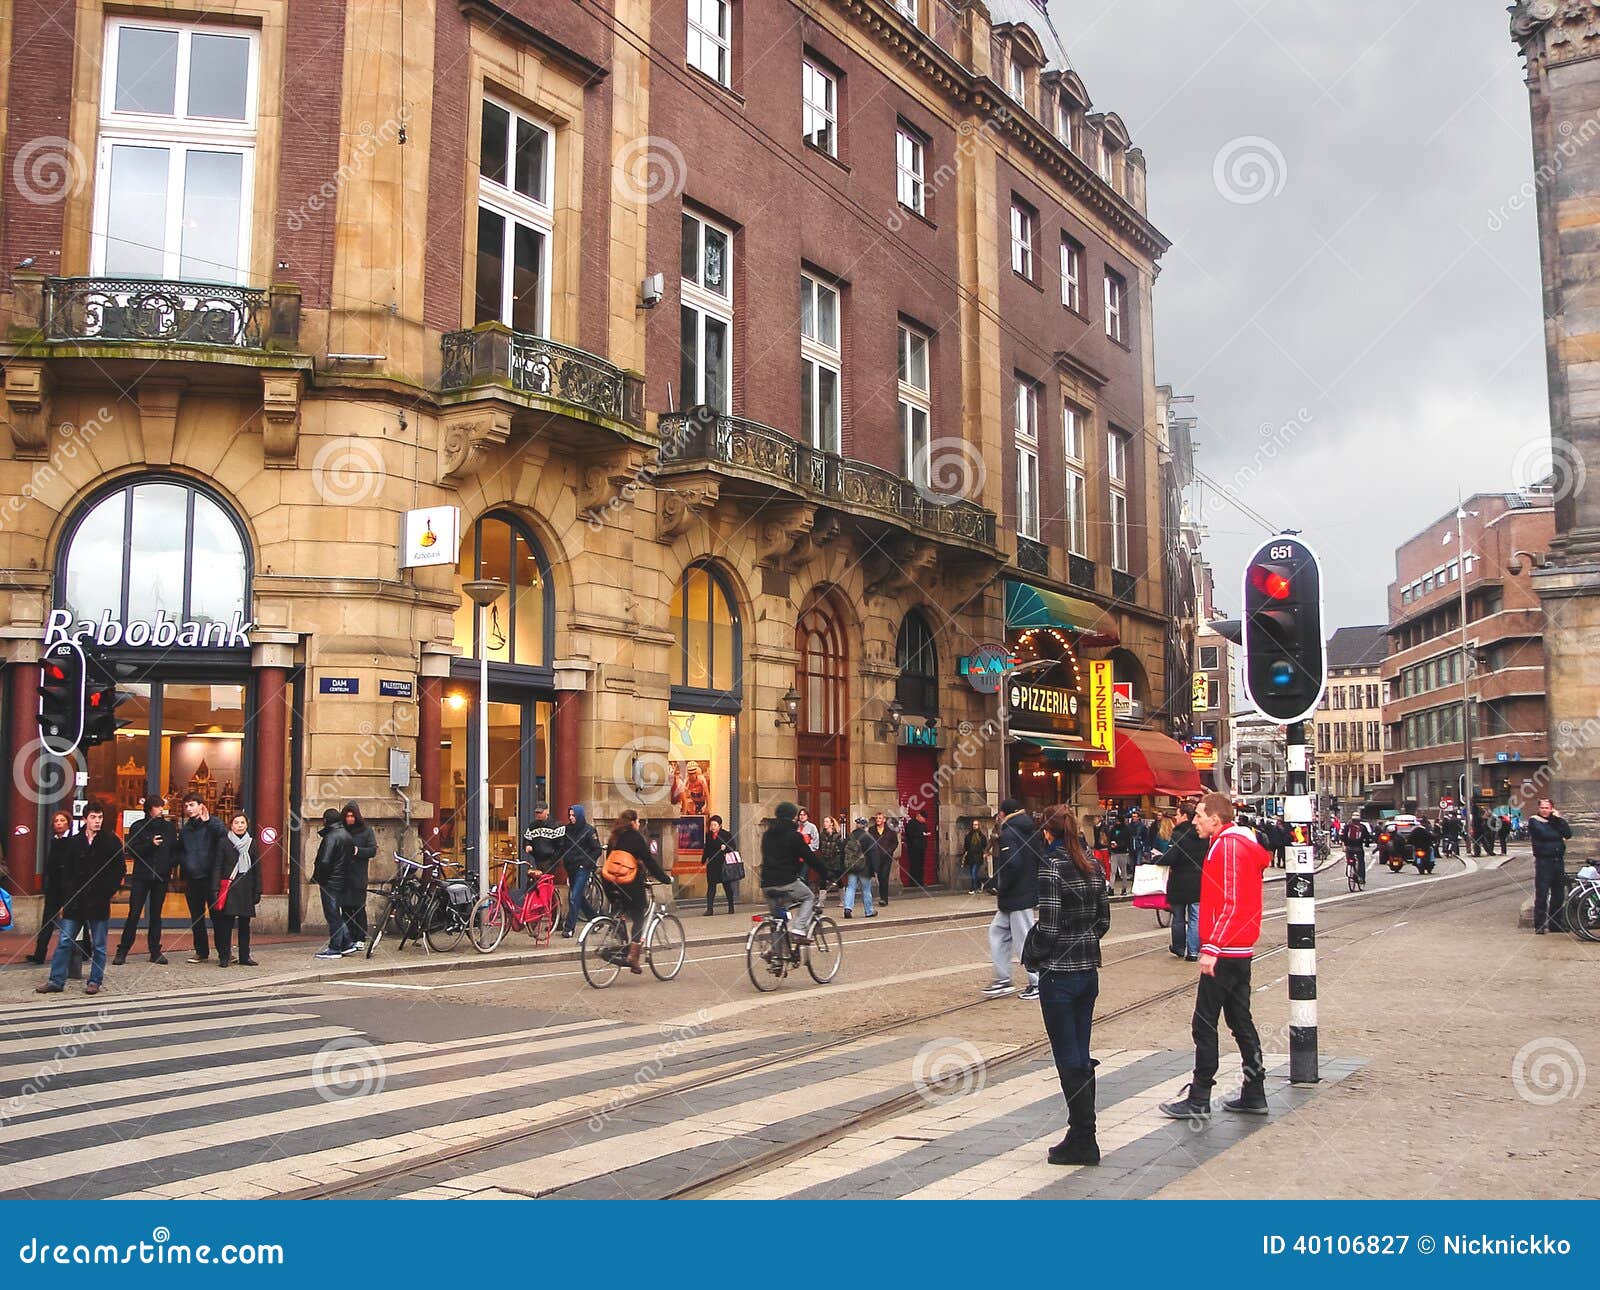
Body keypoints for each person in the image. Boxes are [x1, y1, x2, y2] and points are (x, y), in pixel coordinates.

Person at [1159, 791, 1270, 1121]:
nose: (1194, 821)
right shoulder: (1238, 844)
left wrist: (1211, 947)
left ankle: (1200, 1096)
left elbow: (1232, 901)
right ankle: (1255, 1091)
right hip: (1240, 948)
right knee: (1239, 1020)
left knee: (1204, 1022)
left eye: (1200, 816)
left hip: (1226, 949)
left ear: (1216, 820)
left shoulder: (1227, 846)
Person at [1026, 804, 1111, 1166]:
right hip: (1088, 972)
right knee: (1080, 1051)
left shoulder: (1052, 866)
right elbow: (1103, 920)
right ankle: (1082, 1134)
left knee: (1067, 1056)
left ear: (1048, 833)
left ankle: (1083, 1137)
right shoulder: (1093, 864)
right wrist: (1084, 941)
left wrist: (1035, 951)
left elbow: (1049, 926)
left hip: (1058, 974)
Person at [35, 801, 124, 995]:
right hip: (75, 900)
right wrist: (68, 894)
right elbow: (66, 871)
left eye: (100, 817)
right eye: (93, 817)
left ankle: (94, 981)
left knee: (99, 945)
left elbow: (119, 869)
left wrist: (107, 892)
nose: (97, 821)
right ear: (85, 819)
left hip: (98, 900)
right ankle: (56, 980)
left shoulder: (110, 841)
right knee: (65, 941)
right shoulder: (75, 842)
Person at [981, 798, 1042, 1001]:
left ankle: (1038, 981)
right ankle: (1003, 978)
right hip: (1020, 893)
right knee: (997, 932)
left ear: (1002, 813)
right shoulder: (1031, 830)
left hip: (1016, 894)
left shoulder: (1009, 833)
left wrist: (1002, 886)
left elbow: (1012, 865)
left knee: (1024, 938)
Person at [603, 809, 670, 972]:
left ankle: (619, 936)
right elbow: (650, 862)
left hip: (610, 882)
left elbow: (611, 861)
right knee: (639, 915)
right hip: (629, 883)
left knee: (621, 908)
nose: (639, 825)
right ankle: (633, 957)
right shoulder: (636, 838)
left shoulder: (614, 838)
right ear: (633, 822)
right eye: (638, 821)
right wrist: (665, 879)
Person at [115, 795, 176, 965]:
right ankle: (123, 951)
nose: (161, 809)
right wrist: (150, 843)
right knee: (134, 913)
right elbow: (132, 850)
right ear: (149, 809)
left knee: (156, 915)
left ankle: (155, 951)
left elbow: (175, 850)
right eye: (157, 807)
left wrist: (169, 866)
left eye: (161, 806)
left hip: (161, 877)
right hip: (142, 876)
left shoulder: (169, 828)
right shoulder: (138, 827)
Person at [758, 802, 830, 948]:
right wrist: (826, 873)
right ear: (792, 817)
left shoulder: (767, 835)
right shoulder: (794, 836)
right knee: (808, 897)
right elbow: (810, 858)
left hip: (767, 883)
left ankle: (777, 958)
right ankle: (798, 928)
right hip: (786, 881)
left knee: (778, 918)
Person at [177, 792, 226, 963]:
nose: (188, 809)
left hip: (212, 879)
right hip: (193, 879)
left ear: (201, 806)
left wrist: (208, 822)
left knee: (217, 917)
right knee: (196, 918)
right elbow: (181, 851)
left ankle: (224, 953)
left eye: (192, 805)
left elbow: (224, 838)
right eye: (186, 806)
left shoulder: (214, 823)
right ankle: (201, 951)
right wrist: (186, 864)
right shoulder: (185, 830)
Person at [211, 811, 263, 967]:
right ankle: (225, 956)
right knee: (226, 925)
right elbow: (218, 866)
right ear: (231, 825)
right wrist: (215, 888)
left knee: (244, 926)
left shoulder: (252, 843)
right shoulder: (224, 842)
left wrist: (258, 890)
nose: (239, 826)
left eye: (242, 823)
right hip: (230, 888)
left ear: (247, 825)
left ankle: (245, 956)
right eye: (236, 823)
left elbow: (256, 868)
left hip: (246, 888)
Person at [27, 811, 78, 965]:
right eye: (56, 821)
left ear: (68, 823)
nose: (58, 823)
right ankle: (39, 953)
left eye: (62, 820)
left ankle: (85, 950)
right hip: (54, 887)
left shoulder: (72, 841)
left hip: (67, 887)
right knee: (47, 920)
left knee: (75, 918)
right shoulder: (54, 841)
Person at [1160, 802, 1205, 961]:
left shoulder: (1178, 835)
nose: (1176, 818)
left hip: (1179, 882)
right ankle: (1193, 952)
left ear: (1185, 816)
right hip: (1199, 882)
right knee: (1195, 917)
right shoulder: (1203, 833)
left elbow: (1172, 857)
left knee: (1178, 917)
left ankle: (1179, 947)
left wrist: (1158, 859)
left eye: (1177, 815)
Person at [311, 807, 352, 961]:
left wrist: (319, 877)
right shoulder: (346, 835)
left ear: (326, 821)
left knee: (332, 914)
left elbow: (325, 861)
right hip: (341, 879)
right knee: (336, 913)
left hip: (330, 881)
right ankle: (347, 942)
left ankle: (335, 947)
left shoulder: (331, 837)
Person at [1529, 797, 1573, 935]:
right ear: (1539, 808)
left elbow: (1568, 834)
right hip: (1544, 861)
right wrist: (1557, 831)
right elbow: (1544, 834)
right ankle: (1540, 924)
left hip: (1558, 861)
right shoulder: (1534, 821)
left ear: (1552, 808)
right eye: (1542, 807)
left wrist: (1558, 819)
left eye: (1547, 808)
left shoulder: (1555, 821)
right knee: (1542, 893)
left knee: (1558, 894)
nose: (1544, 810)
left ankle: (1555, 923)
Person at [339, 801, 378, 952]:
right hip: (343, 875)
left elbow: (372, 850)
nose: (350, 819)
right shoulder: (342, 831)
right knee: (345, 908)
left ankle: (360, 937)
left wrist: (357, 851)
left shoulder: (366, 831)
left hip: (358, 875)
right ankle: (349, 937)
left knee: (359, 907)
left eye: (352, 816)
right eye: (347, 816)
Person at [561, 804, 604, 936]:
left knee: (574, 897)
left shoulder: (589, 830)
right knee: (578, 896)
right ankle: (595, 919)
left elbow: (597, 849)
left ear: (579, 815)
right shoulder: (567, 830)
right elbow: (562, 846)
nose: (571, 818)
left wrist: (586, 863)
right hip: (570, 867)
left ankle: (569, 928)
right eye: (570, 815)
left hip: (583, 868)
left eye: (573, 815)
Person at [701, 814, 738, 915]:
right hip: (712, 864)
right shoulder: (708, 835)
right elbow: (707, 849)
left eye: (714, 825)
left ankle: (731, 906)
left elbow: (733, 847)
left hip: (723, 865)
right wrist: (703, 860)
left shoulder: (726, 834)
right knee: (711, 887)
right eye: (711, 825)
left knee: (727, 886)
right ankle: (709, 909)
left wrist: (725, 848)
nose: (712, 827)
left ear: (720, 825)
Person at [841, 817, 876, 918]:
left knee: (850, 888)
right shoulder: (868, 837)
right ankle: (869, 911)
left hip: (852, 867)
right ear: (866, 826)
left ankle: (847, 908)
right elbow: (873, 853)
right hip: (865, 868)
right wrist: (874, 869)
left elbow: (844, 851)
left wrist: (844, 866)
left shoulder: (850, 836)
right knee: (866, 889)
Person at [521, 803, 566, 876]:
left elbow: (561, 846)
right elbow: (526, 839)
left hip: (550, 860)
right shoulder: (532, 826)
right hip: (537, 859)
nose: (538, 814)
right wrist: (527, 845)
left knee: (545, 882)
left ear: (547, 811)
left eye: (540, 812)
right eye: (537, 812)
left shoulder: (556, 825)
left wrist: (552, 860)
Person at [865, 811, 898, 908]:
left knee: (884, 876)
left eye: (880, 818)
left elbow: (895, 843)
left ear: (884, 820)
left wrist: (889, 851)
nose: (878, 820)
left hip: (886, 857)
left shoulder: (890, 831)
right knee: (880, 877)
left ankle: (884, 898)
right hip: (876, 857)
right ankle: (882, 896)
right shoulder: (871, 830)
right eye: (877, 818)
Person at [816, 815, 847, 889]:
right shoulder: (822, 834)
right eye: (824, 822)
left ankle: (843, 897)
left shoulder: (837, 835)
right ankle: (821, 900)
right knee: (822, 880)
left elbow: (841, 847)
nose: (825, 823)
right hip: (825, 860)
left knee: (838, 879)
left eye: (827, 822)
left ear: (831, 823)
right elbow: (820, 846)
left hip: (834, 861)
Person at [1107, 809, 1131, 896]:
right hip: (1114, 852)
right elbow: (1109, 839)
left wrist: (1119, 845)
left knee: (1123, 871)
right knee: (1113, 871)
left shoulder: (1126, 830)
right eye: (1116, 821)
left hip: (1122, 852)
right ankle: (1111, 888)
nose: (1117, 822)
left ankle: (1124, 888)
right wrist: (1110, 847)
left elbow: (1128, 841)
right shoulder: (1113, 829)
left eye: (1118, 821)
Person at [901, 809, 927, 888]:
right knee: (914, 865)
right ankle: (914, 882)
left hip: (921, 848)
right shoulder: (911, 823)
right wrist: (921, 834)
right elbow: (909, 834)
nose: (924, 820)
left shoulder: (923, 824)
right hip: (913, 848)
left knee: (920, 865)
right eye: (923, 818)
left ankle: (920, 881)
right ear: (919, 816)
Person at [962, 819, 988, 894]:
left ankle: (972, 888)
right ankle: (979, 884)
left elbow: (984, 846)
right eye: (974, 824)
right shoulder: (968, 836)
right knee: (973, 873)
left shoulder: (982, 836)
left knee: (974, 872)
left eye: (976, 825)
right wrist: (965, 854)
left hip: (978, 857)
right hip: (970, 857)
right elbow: (966, 846)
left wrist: (984, 853)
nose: (975, 826)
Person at [1342, 816, 1369, 884]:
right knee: (1361, 862)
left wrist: (1345, 844)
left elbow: (1343, 836)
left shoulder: (1347, 826)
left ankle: (1350, 866)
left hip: (1349, 848)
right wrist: (1367, 844)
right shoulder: (1362, 827)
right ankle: (1361, 878)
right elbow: (1367, 836)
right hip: (1358, 847)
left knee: (1350, 859)